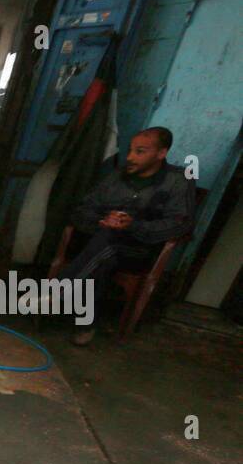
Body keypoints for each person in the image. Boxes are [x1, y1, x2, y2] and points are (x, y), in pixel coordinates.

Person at [60, 127, 196, 346]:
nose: (131, 157)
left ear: (161, 153)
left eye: (140, 151)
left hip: (139, 250)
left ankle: (58, 291)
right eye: (131, 150)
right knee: (105, 251)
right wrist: (102, 221)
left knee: (108, 245)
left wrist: (134, 225)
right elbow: (82, 209)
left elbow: (181, 224)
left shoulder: (178, 181)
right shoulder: (116, 177)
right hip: (101, 245)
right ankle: (83, 323)